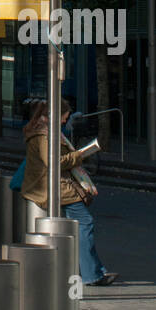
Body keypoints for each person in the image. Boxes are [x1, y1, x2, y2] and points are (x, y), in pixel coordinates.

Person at [21, 100, 119, 286]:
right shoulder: (43, 136)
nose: (64, 122)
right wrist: (80, 155)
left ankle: (96, 271)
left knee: (80, 224)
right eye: (64, 118)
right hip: (57, 187)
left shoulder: (43, 133)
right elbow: (54, 161)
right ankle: (92, 274)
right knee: (85, 223)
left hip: (54, 186)